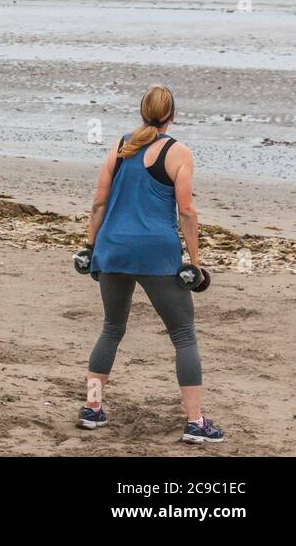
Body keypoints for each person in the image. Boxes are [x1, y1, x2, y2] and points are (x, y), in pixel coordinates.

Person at [81, 84, 223, 444]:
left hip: (112, 249)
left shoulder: (120, 145)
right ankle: (195, 422)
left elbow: (99, 202)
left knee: (112, 328)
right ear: (171, 115)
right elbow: (187, 211)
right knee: (184, 335)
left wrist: (88, 246)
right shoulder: (177, 152)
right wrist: (195, 262)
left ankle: (92, 409)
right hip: (155, 253)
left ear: (143, 112)